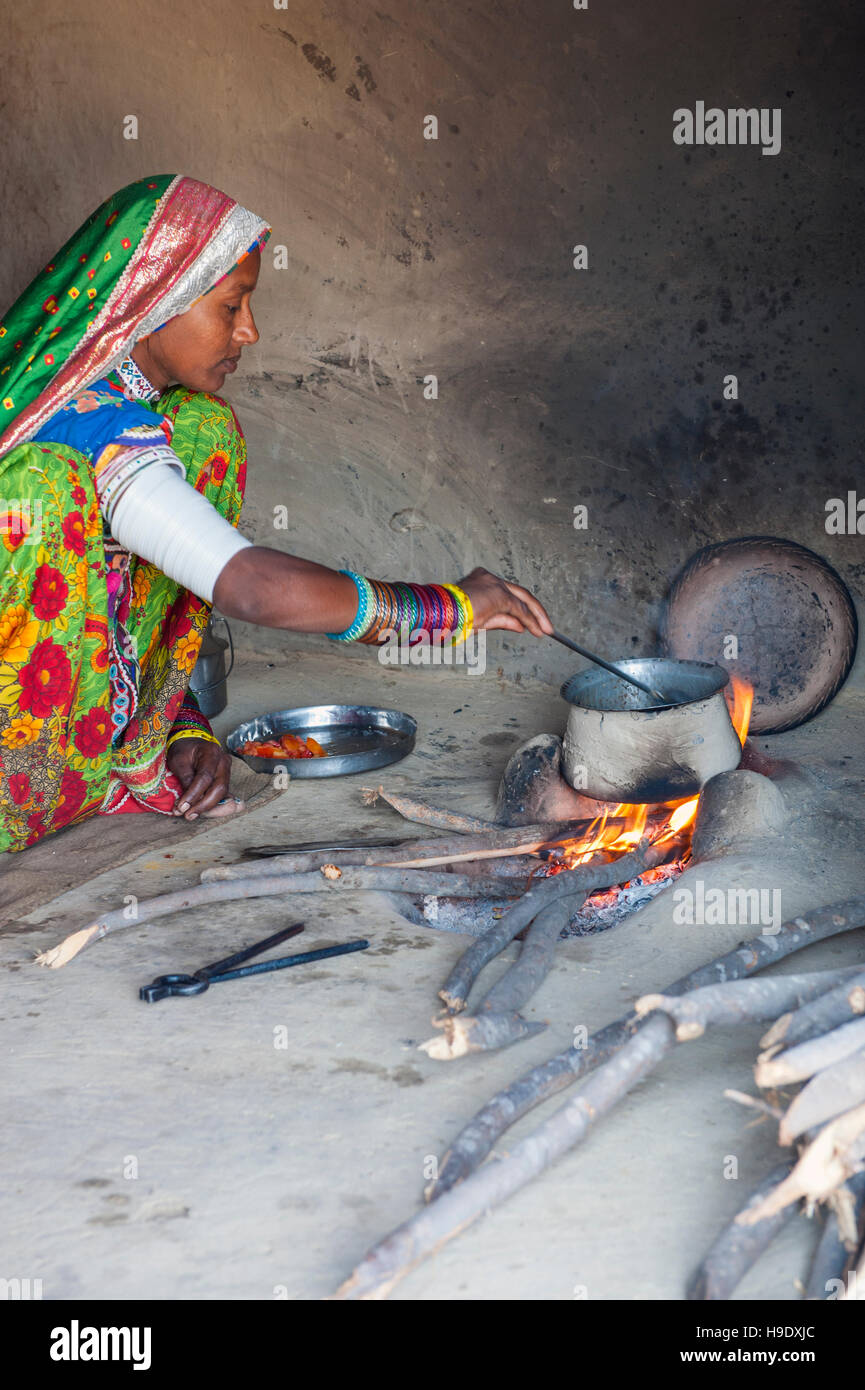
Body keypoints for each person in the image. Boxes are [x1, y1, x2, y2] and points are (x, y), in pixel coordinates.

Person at [0, 175, 552, 854]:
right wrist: (443, 610)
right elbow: (251, 586)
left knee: (205, 430)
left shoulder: (134, 406)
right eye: (231, 305)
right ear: (153, 301)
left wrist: (183, 724)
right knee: (45, 485)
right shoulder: (79, 422)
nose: (249, 331)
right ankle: (38, 789)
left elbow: (116, 595)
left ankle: (127, 743)